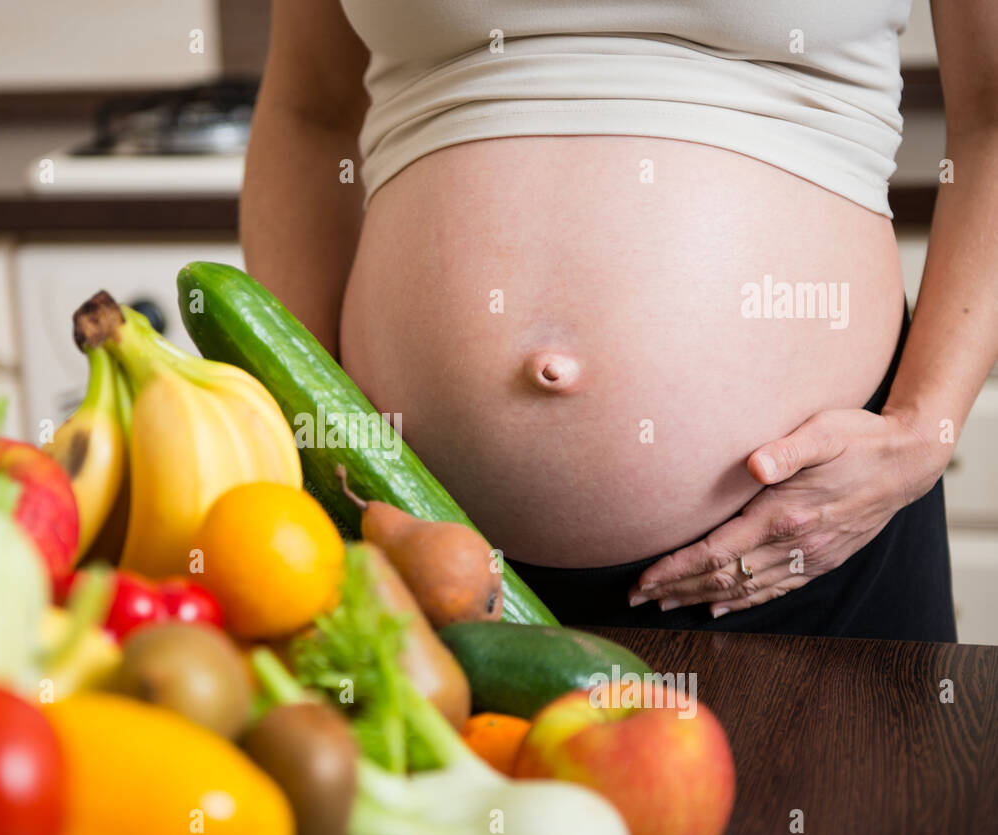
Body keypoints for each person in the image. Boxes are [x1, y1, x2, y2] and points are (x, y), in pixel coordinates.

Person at [240, 0, 998, 642]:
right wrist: (311, 436)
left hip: (803, 539)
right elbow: (308, 112)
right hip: (402, 536)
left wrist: (920, 432)